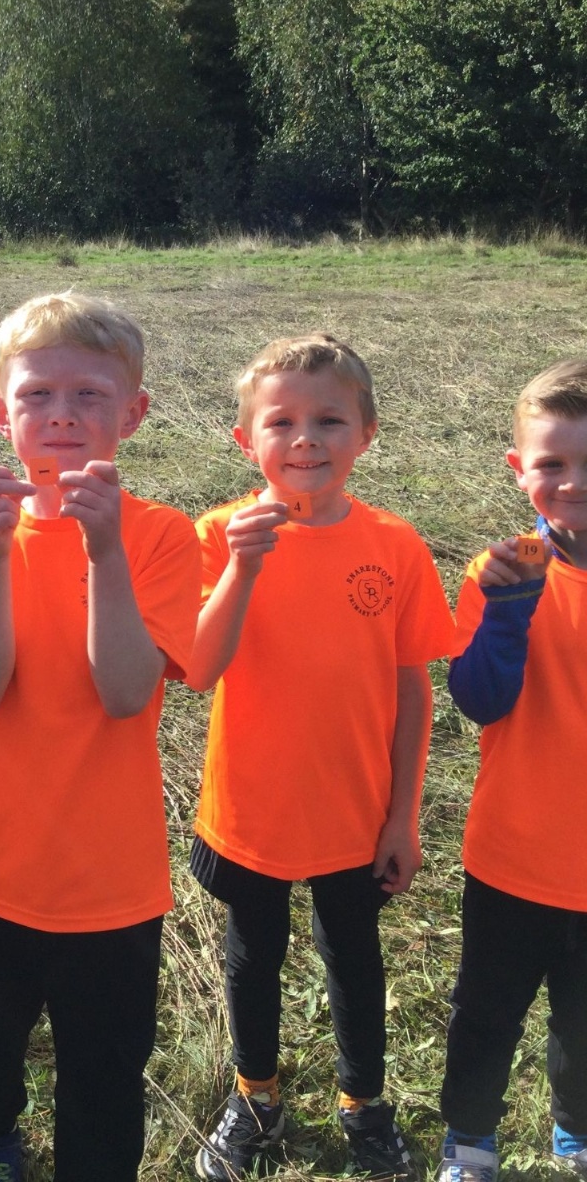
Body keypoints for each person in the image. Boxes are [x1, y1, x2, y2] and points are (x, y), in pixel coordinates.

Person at [0, 292, 201, 1182]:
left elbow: (126, 694)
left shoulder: (160, 535)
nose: (62, 416)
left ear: (133, 414)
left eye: (89, 396)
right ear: (2, 412)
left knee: (106, 1070)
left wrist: (106, 552)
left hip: (109, 877)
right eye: (38, 395)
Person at [185, 334, 453, 1181]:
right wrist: (242, 567)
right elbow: (199, 668)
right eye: (283, 422)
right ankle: (255, 1094)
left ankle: (363, 1104)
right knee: (251, 958)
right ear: (246, 441)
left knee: (354, 961)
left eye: (330, 420)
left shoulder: (397, 546)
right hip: (249, 812)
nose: (307, 440)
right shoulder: (220, 533)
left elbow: (415, 691)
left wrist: (402, 816)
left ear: (367, 434)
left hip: (356, 815)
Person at [434, 360, 587, 1182]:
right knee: (485, 1014)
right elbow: (480, 702)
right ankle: (470, 1143)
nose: (573, 484)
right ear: (518, 468)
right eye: (554, 463)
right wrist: (507, 619)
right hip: (514, 858)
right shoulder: (503, 574)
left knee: (585, 1023)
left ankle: (576, 1132)